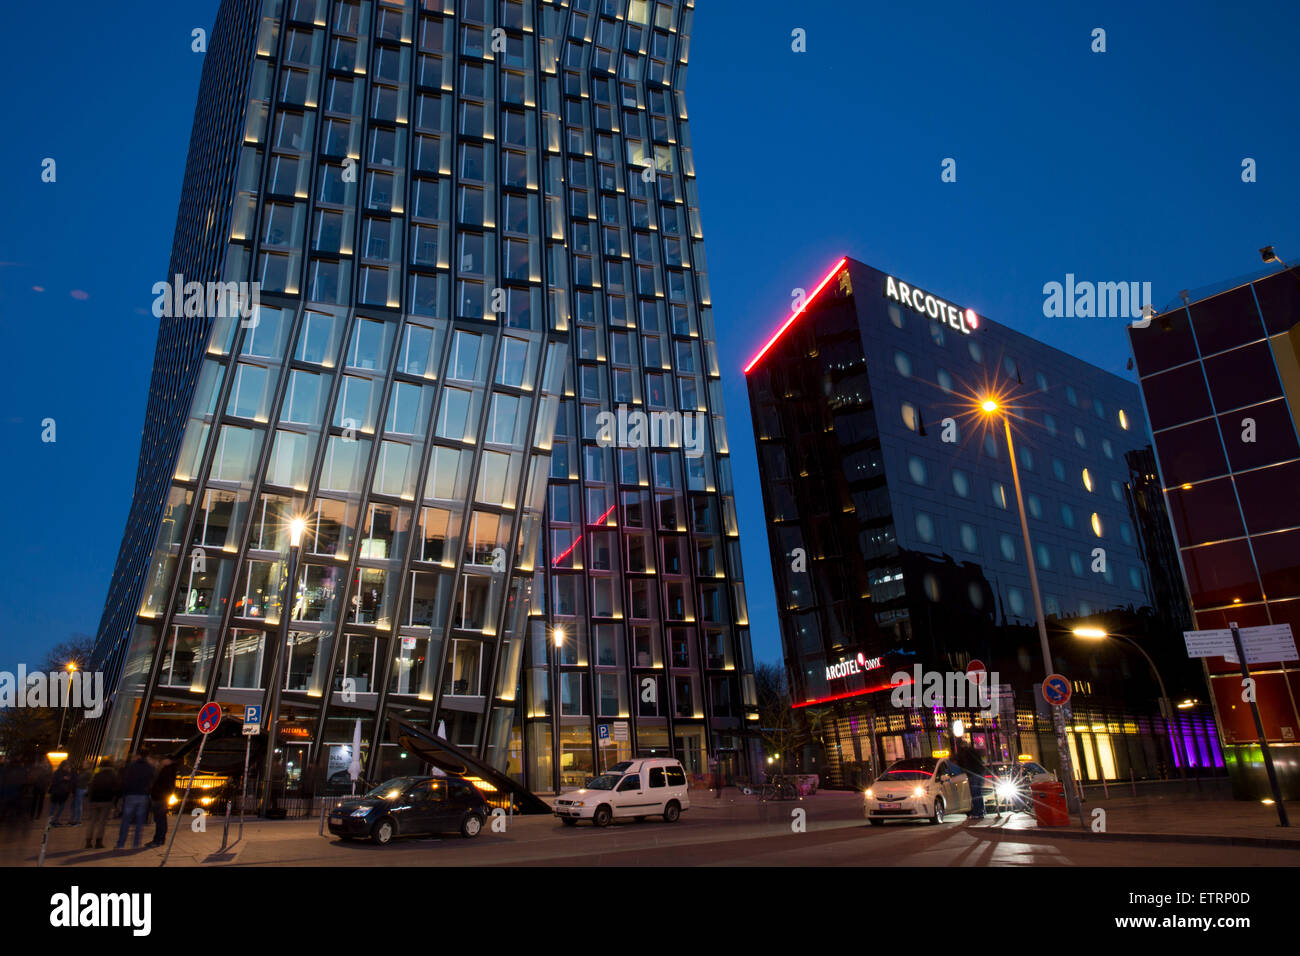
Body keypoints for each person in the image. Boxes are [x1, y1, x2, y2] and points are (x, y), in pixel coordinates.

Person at [116, 752, 155, 850]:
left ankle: (121, 844)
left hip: (131, 795)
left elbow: (125, 781)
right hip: (143, 795)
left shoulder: (130, 767)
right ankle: (136, 844)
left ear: (137, 757)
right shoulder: (149, 767)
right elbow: (151, 781)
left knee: (126, 820)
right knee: (140, 822)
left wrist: (124, 793)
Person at [85, 761, 120, 849]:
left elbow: (91, 786)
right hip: (106, 800)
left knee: (92, 821)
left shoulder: (97, 774)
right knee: (102, 822)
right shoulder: (113, 775)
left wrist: (90, 798)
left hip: (94, 800)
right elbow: (116, 787)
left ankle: (88, 841)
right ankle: (98, 841)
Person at [147, 756, 180, 847]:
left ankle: (159, 839)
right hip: (159, 796)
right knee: (159, 819)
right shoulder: (167, 770)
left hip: (160, 797)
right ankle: (158, 838)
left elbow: (167, 786)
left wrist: (164, 798)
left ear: (168, 761)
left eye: (164, 760)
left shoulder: (168, 771)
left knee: (160, 819)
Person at [955, 746, 988, 821]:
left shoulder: (965, 756)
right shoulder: (972, 753)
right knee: (978, 793)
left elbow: (964, 766)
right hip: (979, 773)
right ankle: (981, 811)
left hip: (973, 774)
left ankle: (977, 813)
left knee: (975, 794)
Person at [71, 762, 90, 826]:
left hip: (81, 789)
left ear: (88, 765)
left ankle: (78, 820)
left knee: (78, 805)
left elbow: (79, 778)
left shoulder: (87, 772)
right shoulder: (83, 771)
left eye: (85, 764)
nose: (83, 764)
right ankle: (74, 819)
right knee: (75, 804)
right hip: (79, 788)